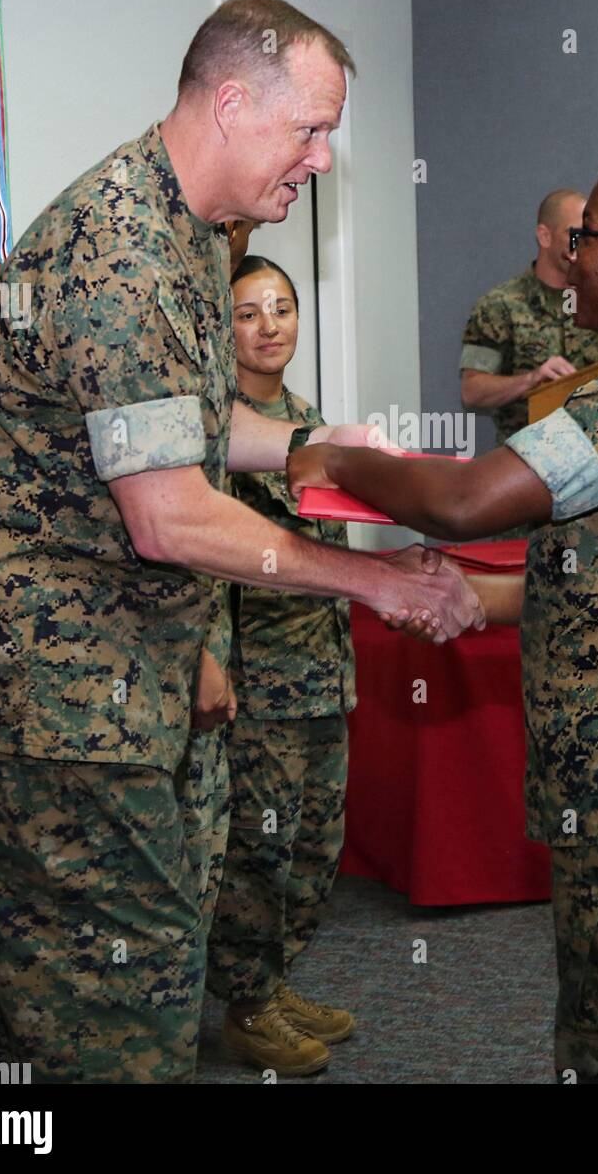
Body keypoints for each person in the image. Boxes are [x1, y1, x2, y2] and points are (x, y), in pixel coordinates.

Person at [0, 0, 482, 1084]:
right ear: (230, 102)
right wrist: (368, 583)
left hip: (94, 685)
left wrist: (314, 444)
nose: (320, 159)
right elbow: (169, 511)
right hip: (48, 701)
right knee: (122, 1019)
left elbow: (182, 419)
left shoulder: (186, 231)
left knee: (24, 1019)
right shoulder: (123, 251)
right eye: (308, 129)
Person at [289, 137, 598, 1084]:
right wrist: (470, 598)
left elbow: (465, 500)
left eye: (591, 234)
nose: (571, 256)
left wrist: (337, 458)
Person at [208, 253, 356, 1077]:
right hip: (256, 683)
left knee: (313, 846)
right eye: (248, 313)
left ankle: (275, 979)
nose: (269, 327)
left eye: (283, 309)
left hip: (323, 676)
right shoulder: (213, 436)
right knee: (254, 857)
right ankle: (247, 1004)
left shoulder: (309, 422)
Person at [460, 188, 598, 448]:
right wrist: (532, 379)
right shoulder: (501, 305)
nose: (581, 245)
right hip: (526, 462)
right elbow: (472, 391)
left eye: (588, 236)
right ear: (544, 236)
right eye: (574, 235)